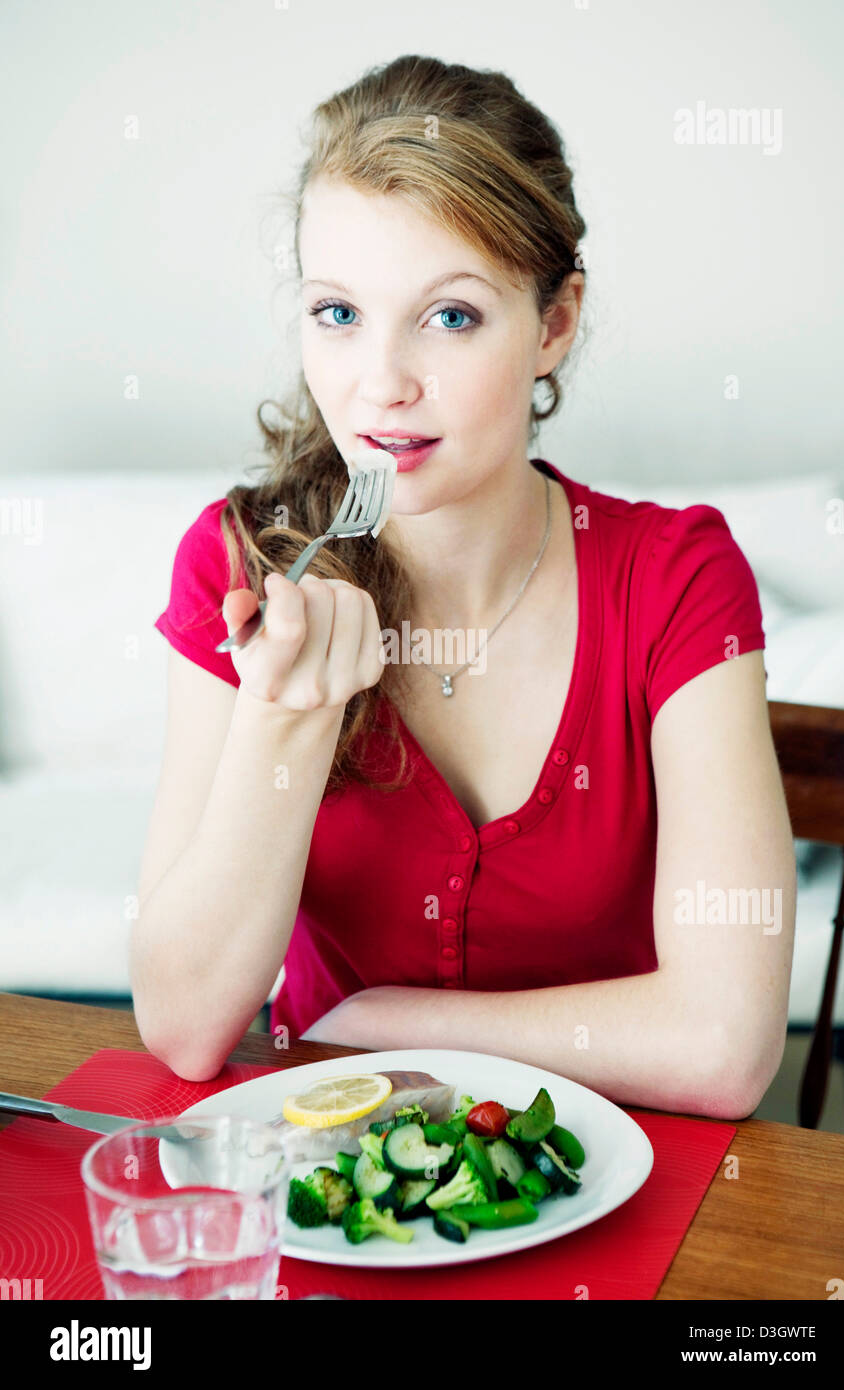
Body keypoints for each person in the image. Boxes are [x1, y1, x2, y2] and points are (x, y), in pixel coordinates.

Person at [133, 55, 796, 1119]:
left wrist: (378, 1020)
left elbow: (723, 1045)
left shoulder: (677, 580)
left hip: (619, 1186)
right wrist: (286, 719)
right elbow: (186, 1024)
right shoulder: (240, 563)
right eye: (337, 313)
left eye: (448, 317)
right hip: (335, 1185)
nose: (379, 382)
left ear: (554, 323)